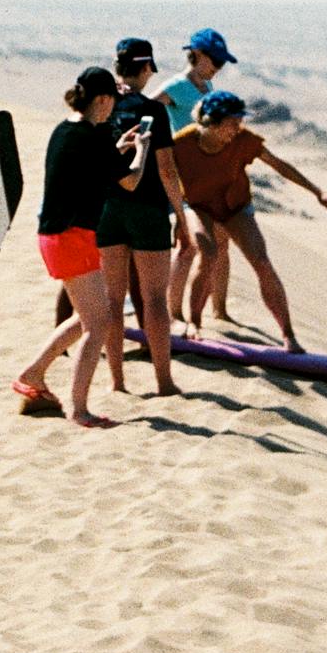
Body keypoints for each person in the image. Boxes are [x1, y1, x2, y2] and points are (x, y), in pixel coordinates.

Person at [11, 68, 134, 427]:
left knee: (86, 317)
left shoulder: (66, 130)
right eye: (113, 100)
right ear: (102, 99)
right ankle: (78, 408)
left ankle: (32, 375)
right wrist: (138, 151)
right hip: (72, 237)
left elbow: (88, 167)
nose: (114, 109)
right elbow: (131, 181)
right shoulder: (94, 138)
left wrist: (117, 149)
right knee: (100, 322)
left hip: (55, 236)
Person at [172, 89, 327, 352]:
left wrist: (318, 191)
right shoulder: (181, 144)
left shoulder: (244, 140)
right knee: (207, 252)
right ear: (211, 122)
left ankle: (289, 335)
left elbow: (279, 164)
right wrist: (175, 218)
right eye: (232, 123)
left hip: (235, 205)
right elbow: (163, 178)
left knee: (261, 261)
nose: (237, 128)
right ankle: (194, 322)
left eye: (240, 122)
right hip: (199, 205)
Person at [100, 37, 192, 394]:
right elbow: (167, 171)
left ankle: (117, 381)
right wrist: (182, 221)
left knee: (111, 297)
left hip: (107, 208)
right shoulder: (151, 111)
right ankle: (164, 381)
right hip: (147, 209)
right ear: (145, 68)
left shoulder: (102, 106)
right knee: (154, 298)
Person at [162, 28, 244, 329]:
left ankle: (220, 312)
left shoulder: (206, 85)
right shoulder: (177, 86)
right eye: (216, 61)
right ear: (196, 55)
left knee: (222, 243)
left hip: (211, 174)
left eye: (222, 63)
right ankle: (174, 313)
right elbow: (147, 109)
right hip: (185, 178)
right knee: (188, 245)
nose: (218, 68)